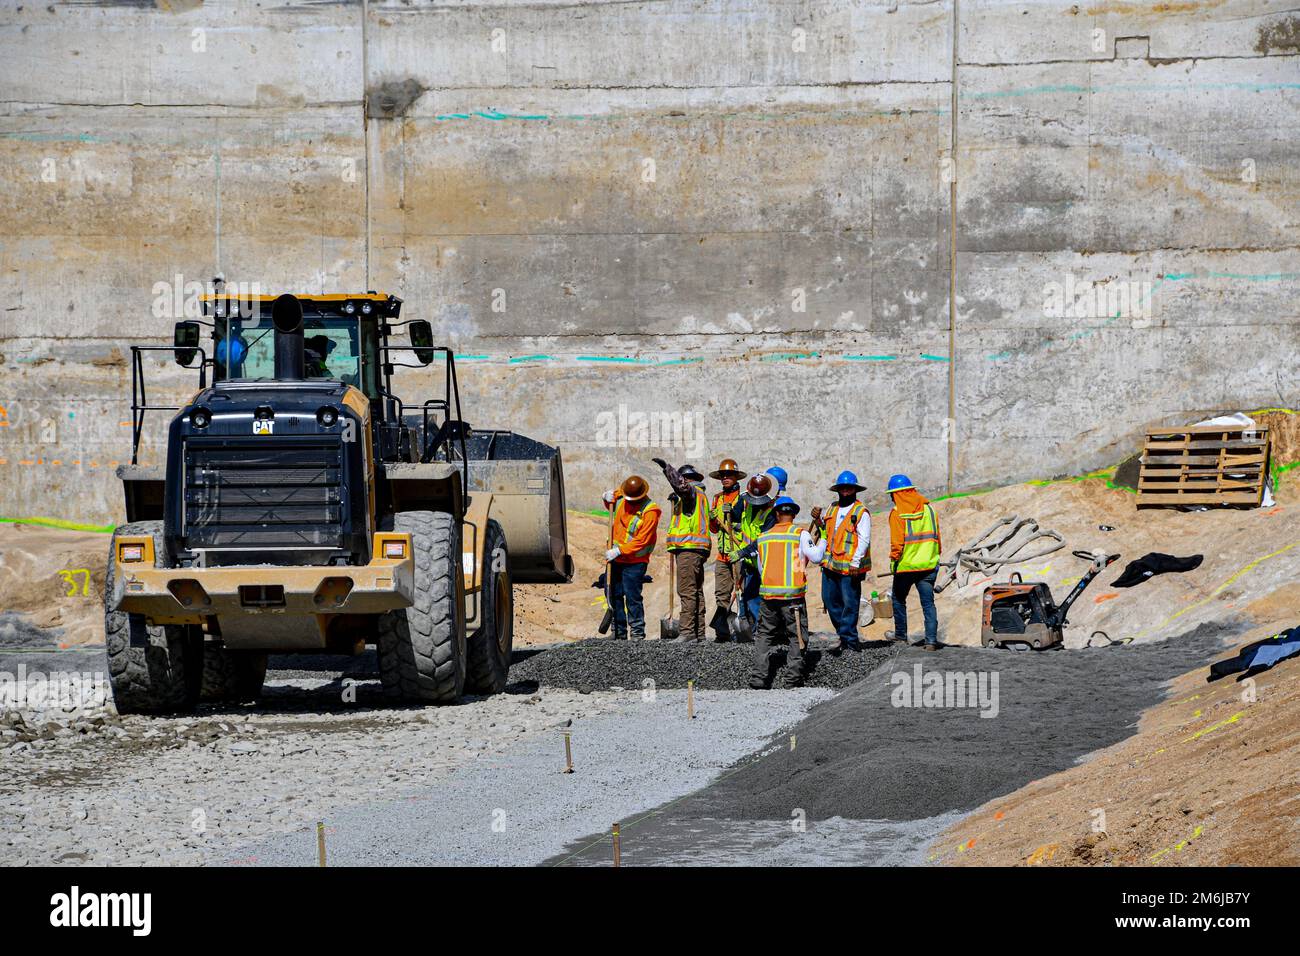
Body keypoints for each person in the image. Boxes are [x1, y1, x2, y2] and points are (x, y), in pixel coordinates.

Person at [732, 497, 826, 688]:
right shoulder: (800, 534)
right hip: (793, 598)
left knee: (764, 636)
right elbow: (816, 557)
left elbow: (761, 567)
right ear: (794, 514)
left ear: (776, 514)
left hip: (768, 597)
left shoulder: (764, 537)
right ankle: (793, 679)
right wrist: (823, 537)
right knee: (796, 635)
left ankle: (759, 677)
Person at [652, 458, 710, 643]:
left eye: (682, 479)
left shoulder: (692, 492)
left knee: (686, 590)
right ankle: (698, 633)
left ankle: (686, 632)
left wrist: (666, 469)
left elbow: (682, 487)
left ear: (687, 480)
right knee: (696, 591)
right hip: (696, 548)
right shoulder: (697, 496)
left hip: (689, 548)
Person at [812, 470, 871, 651]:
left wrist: (855, 562)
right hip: (830, 563)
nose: (845, 490)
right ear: (838, 489)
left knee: (849, 603)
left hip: (849, 567)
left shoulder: (861, 512)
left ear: (854, 490)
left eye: (849, 488)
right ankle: (842, 633)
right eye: (842, 488)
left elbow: (864, 539)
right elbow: (827, 531)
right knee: (829, 600)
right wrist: (818, 520)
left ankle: (850, 640)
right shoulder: (832, 508)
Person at [601, 475, 662, 641]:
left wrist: (620, 551)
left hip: (635, 561)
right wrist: (606, 498)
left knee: (632, 596)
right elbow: (612, 501)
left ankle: (637, 633)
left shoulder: (650, 511)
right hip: (616, 558)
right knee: (613, 594)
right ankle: (618, 632)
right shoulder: (623, 494)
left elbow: (643, 540)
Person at [886, 474, 941, 650]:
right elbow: (937, 538)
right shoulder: (930, 510)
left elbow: (897, 543)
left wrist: (894, 560)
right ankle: (931, 641)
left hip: (906, 567)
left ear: (897, 494)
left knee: (898, 599)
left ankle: (901, 636)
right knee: (928, 603)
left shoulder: (897, 513)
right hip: (929, 565)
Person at [728, 473, 776, 630]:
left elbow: (763, 540)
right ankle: (757, 629)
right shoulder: (746, 502)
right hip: (749, 563)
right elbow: (736, 517)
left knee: (761, 598)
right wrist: (726, 512)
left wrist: (742, 553)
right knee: (749, 597)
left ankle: (764, 631)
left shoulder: (771, 514)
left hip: (765, 563)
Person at [707, 458, 747, 641]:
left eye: (729, 475)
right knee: (721, 593)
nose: (725, 478)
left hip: (738, 551)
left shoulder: (745, 498)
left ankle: (746, 628)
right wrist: (713, 518)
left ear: (736, 477)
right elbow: (714, 529)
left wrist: (733, 515)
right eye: (722, 475)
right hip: (723, 554)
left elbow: (746, 524)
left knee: (742, 591)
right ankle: (721, 632)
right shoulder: (717, 498)